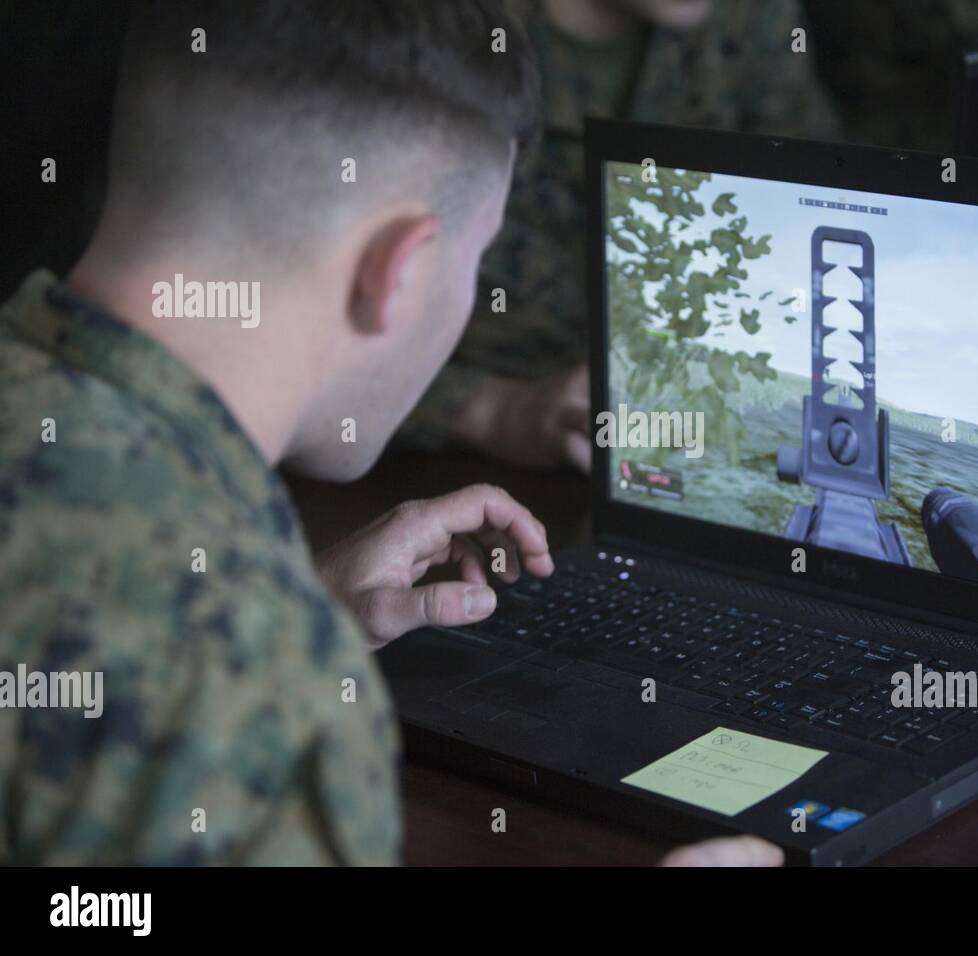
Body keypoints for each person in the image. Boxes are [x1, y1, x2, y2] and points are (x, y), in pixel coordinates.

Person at [0, 0, 778, 867]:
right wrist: (269, 637)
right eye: (473, 261)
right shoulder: (262, 698)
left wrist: (305, 600)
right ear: (399, 269)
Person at [394, 0, 842, 472]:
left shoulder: (750, 19)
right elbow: (321, 316)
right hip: (438, 459)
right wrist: (488, 410)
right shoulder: (425, 28)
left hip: (672, 446)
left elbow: (810, 202)